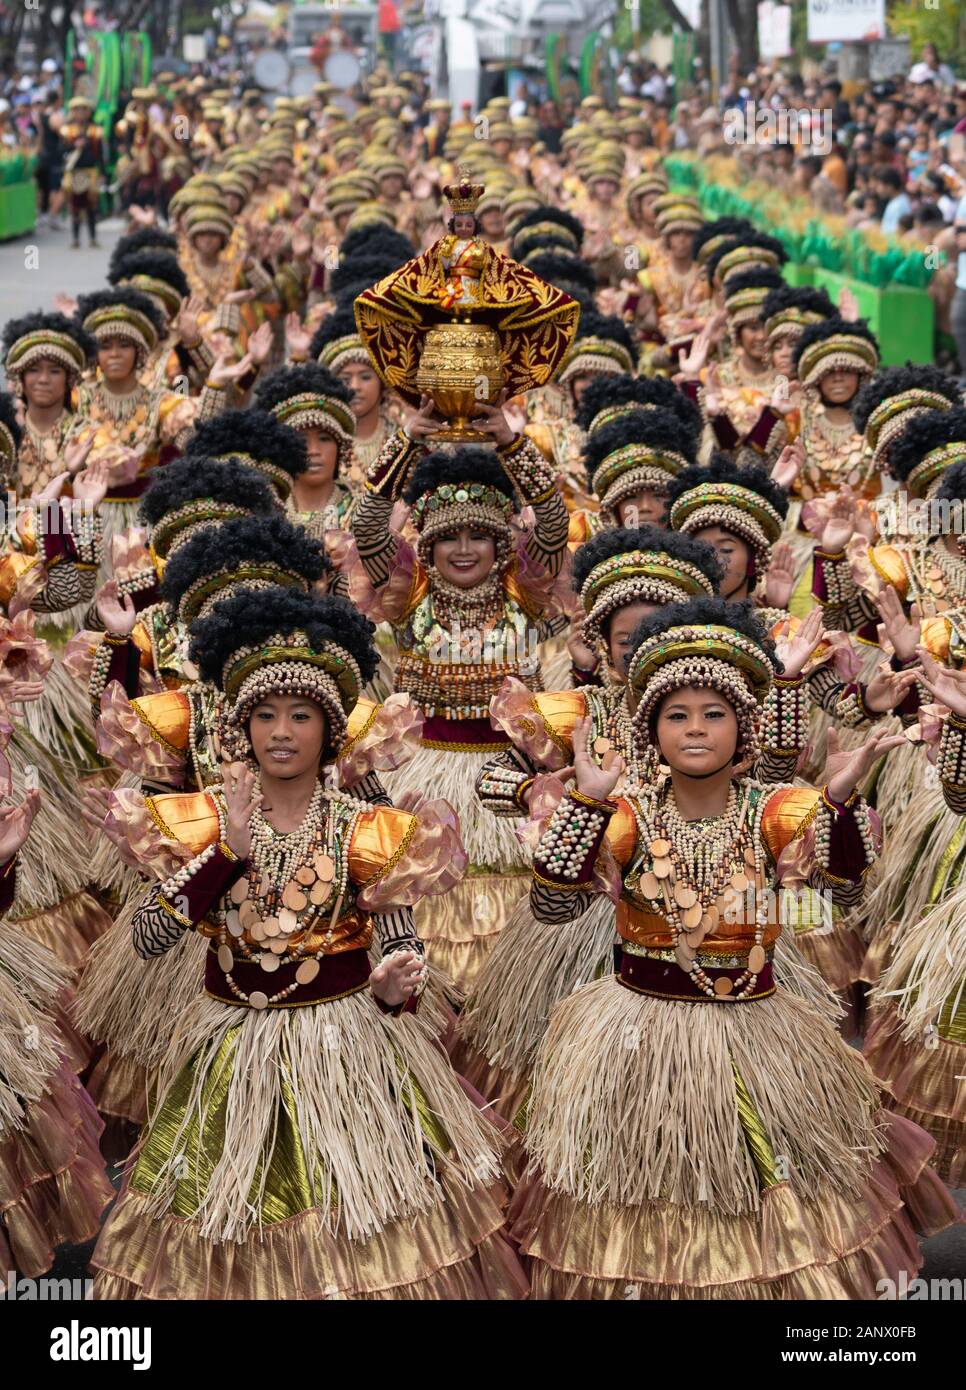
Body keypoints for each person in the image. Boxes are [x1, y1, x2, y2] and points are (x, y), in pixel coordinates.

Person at [509, 596, 956, 1297]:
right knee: (641, 1199)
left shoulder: (779, 811)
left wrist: (836, 807)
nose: (694, 729)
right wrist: (587, 805)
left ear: (743, 727)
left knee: (766, 1199)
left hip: (759, 1035)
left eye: (713, 714)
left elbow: (839, 892)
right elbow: (553, 904)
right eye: (676, 715)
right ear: (650, 730)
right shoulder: (624, 817)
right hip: (635, 1041)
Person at [88, 586, 527, 1300]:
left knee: (360, 1242)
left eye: (300, 716)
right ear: (242, 728)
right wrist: (224, 856)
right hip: (232, 1050)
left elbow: (404, 965)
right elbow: (146, 937)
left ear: (330, 733)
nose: (281, 731)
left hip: (348, 1052)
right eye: (264, 715)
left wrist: (390, 989)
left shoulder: (372, 831)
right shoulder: (199, 820)